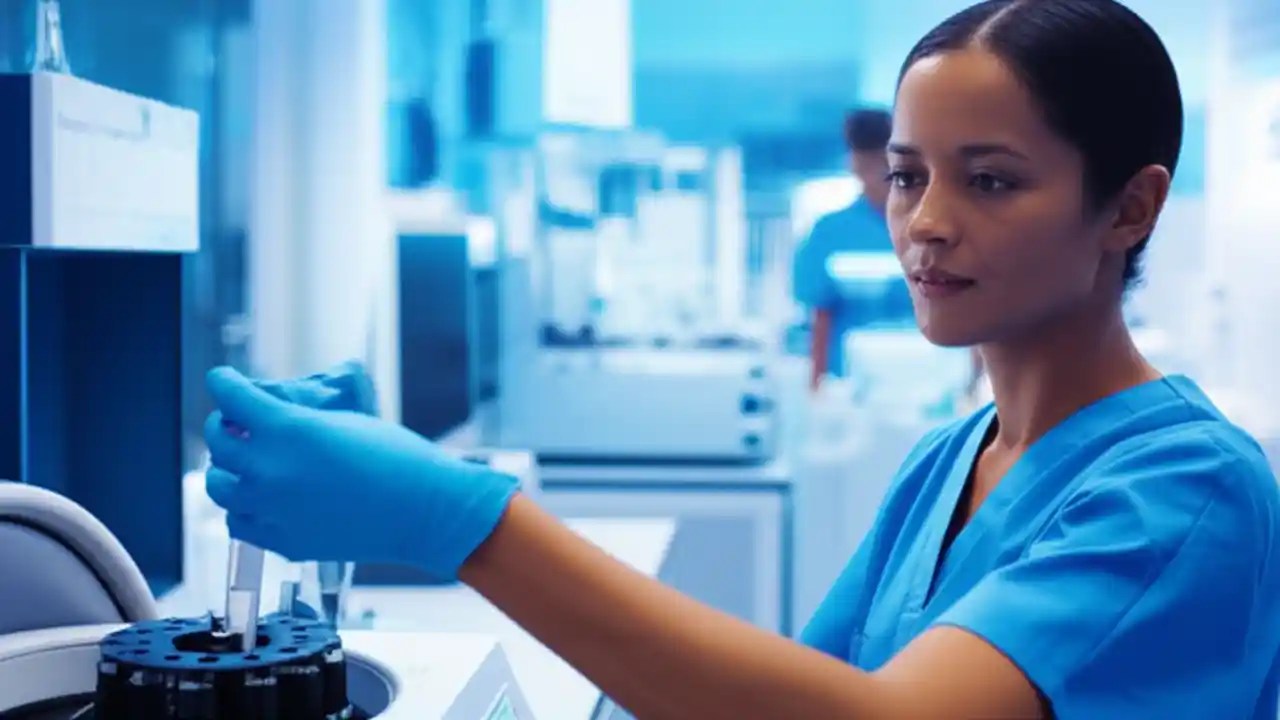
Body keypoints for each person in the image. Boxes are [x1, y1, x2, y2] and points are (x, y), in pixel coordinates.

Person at [202, 1, 1280, 717]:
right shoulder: (951, 459)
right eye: (907, 176)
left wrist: (458, 521)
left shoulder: (1186, 490)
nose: (923, 223)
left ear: (1128, 208)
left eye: (989, 180)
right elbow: (781, 697)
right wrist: (412, 480)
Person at [792, 107, 895, 389]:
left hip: (932, 382)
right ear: (854, 165)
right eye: (867, 163)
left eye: (883, 164)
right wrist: (817, 389)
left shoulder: (928, 226)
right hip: (848, 384)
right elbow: (820, 317)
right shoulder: (829, 232)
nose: (877, 173)